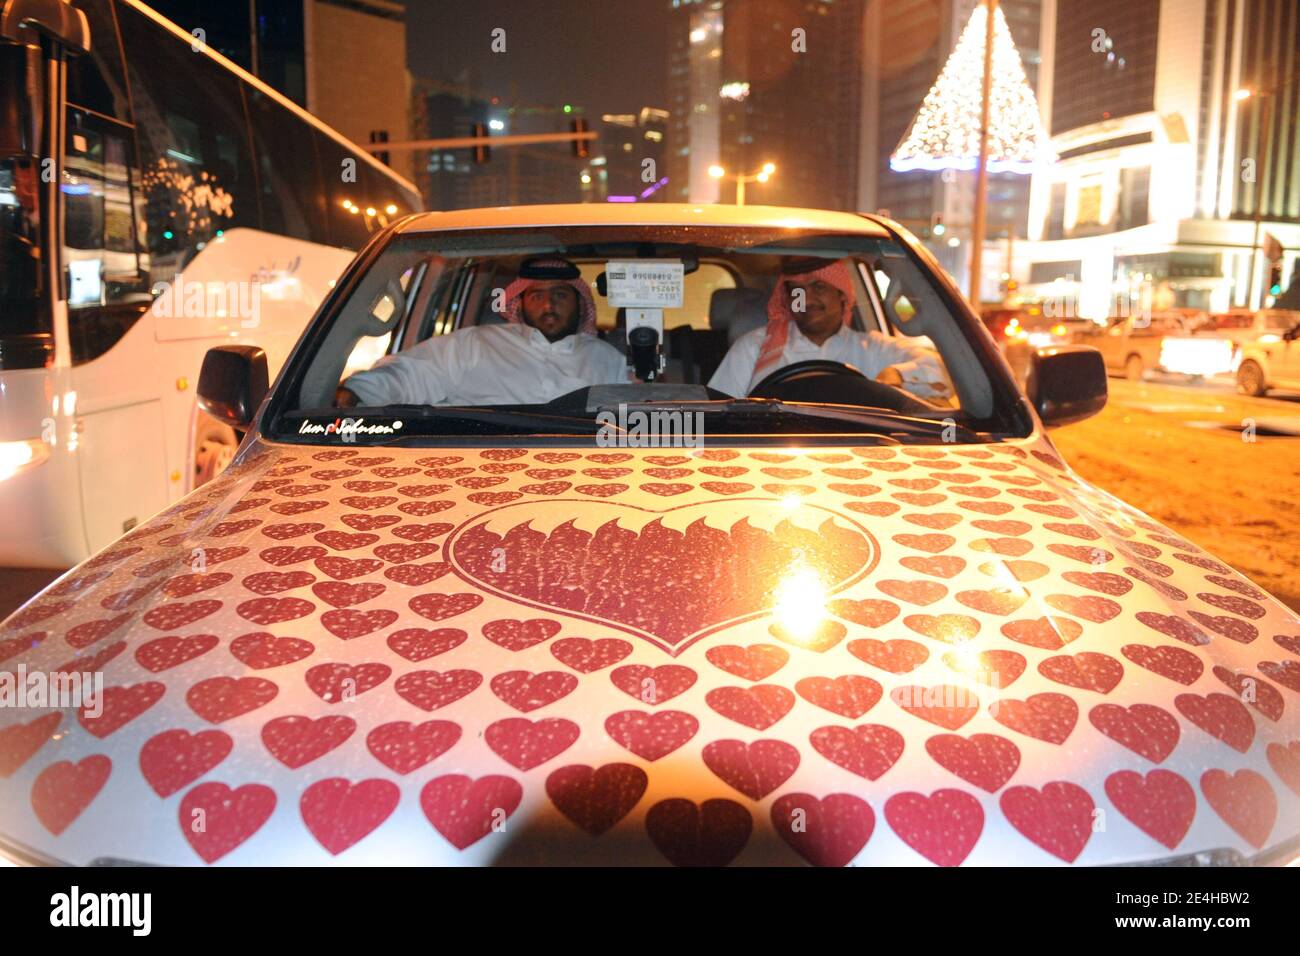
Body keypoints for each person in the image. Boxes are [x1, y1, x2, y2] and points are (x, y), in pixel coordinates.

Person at [336, 258, 627, 407]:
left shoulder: (607, 359)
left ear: (579, 303)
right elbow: (411, 375)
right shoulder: (475, 343)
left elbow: (631, 417)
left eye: (561, 295)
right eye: (537, 296)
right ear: (520, 303)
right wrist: (357, 393)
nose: (549, 305)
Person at [707, 259, 951, 400]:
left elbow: (941, 369)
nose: (808, 299)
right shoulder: (754, 347)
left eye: (819, 287)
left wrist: (897, 376)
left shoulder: (872, 348)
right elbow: (720, 411)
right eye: (798, 291)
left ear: (842, 296)